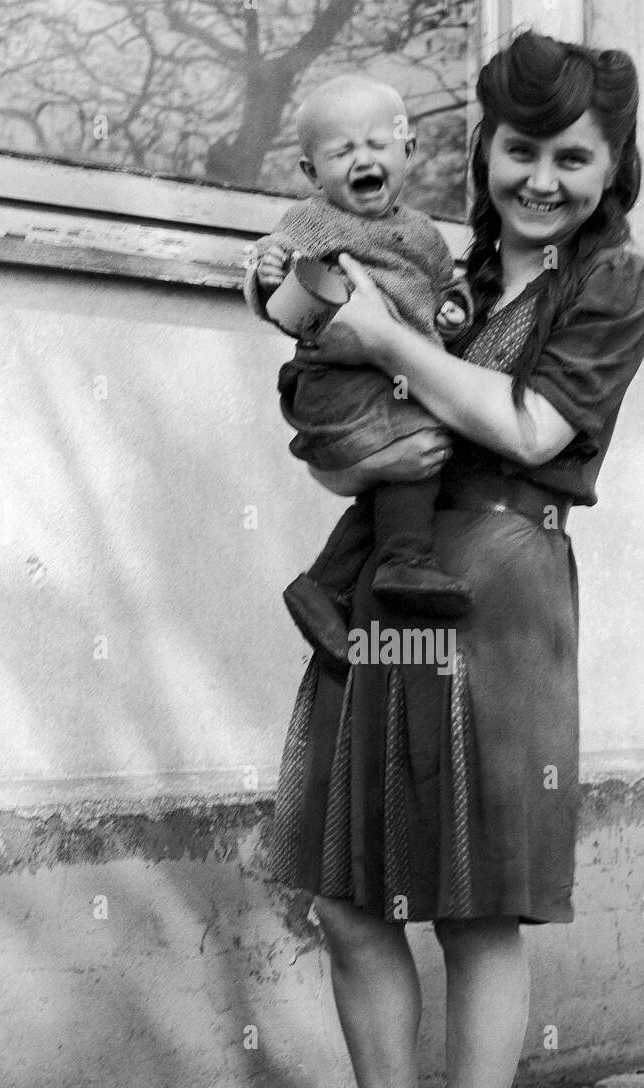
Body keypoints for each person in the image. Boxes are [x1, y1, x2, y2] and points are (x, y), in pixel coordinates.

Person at [268, 29, 644, 1088]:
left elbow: (528, 425)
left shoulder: (611, 285)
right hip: (382, 571)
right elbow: (334, 437)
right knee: (344, 886)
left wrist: (386, 347)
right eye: (520, 148)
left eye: (572, 156)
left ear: (612, 168)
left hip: (498, 588)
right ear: (482, 147)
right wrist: (350, 447)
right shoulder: (439, 259)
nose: (540, 176)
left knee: (474, 897)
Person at [244, 74, 476, 668]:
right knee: (420, 446)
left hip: (390, 373)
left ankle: (325, 586)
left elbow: (441, 296)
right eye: (341, 151)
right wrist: (270, 274)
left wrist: (453, 311)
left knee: (412, 466)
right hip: (334, 376)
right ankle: (403, 562)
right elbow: (289, 309)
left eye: (377, 144)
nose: (363, 159)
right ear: (310, 172)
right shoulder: (311, 222)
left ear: (410, 151)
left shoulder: (425, 234)